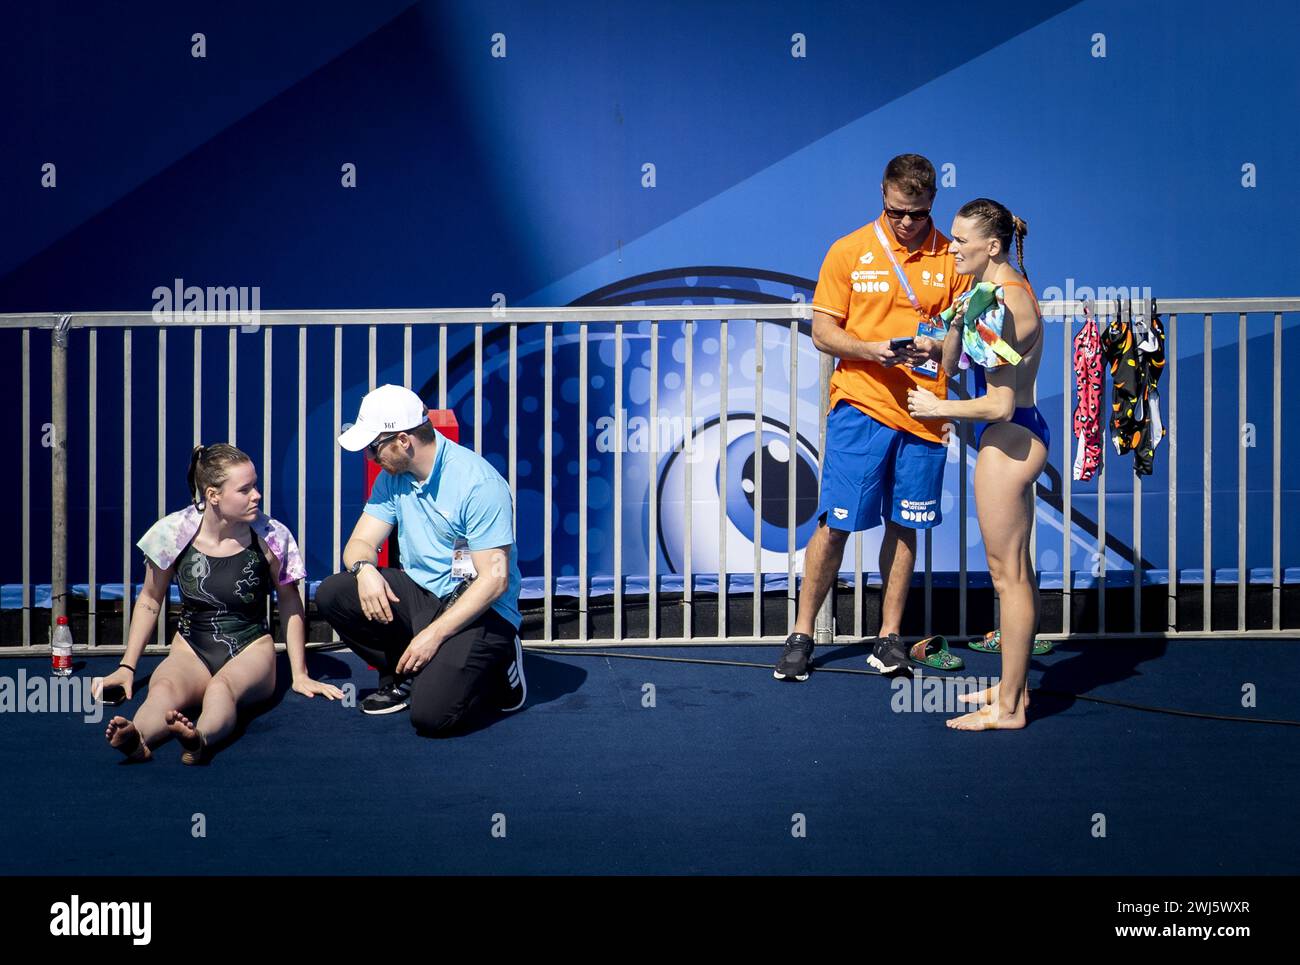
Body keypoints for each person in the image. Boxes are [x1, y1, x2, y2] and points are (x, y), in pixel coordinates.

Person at [775, 153, 972, 681]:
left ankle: (889, 638)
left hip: (925, 410)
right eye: (897, 211)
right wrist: (872, 350)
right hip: (860, 403)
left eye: (918, 213)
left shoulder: (954, 258)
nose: (907, 222)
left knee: (906, 524)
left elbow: (965, 344)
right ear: (883, 197)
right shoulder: (849, 250)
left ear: (933, 205)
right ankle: (801, 633)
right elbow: (823, 333)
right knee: (836, 524)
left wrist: (937, 347)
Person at [98, 444, 344, 763]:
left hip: (251, 648)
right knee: (163, 688)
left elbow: (290, 603)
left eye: (255, 485)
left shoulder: (272, 536)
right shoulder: (172, 533)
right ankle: (137, 737)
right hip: (190, 646)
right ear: (213, 495)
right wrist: (126, 667)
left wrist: (299, 673)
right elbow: (149, 599)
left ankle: (200, 738)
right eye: (245, 489)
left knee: (221, 688)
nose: (256, 495)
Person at [906, 198, 1047, 730]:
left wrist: (938, 407)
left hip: (1009, 438)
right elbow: (961, 357)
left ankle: (1009, 708)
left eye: (961, 240)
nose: (951, 246)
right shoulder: (1002, 289)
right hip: (1022, 432)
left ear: (991, 245)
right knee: (1017, 574)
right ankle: (1015, 688)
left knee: (1007, 577)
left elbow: (998, 402)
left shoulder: (999, 305)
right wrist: (936, 340)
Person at [314, 384, 525, 735]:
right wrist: (364, 569)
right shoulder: (392, 477)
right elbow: (359, 543)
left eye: (373, 447)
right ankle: (405, 675)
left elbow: (495, 579)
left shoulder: (479, 483)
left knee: (432, 718)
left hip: (482, 609)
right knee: (334, 592)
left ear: (402, 440)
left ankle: (499, 662)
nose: (369, 457)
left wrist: (434, 636)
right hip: (423, 594)